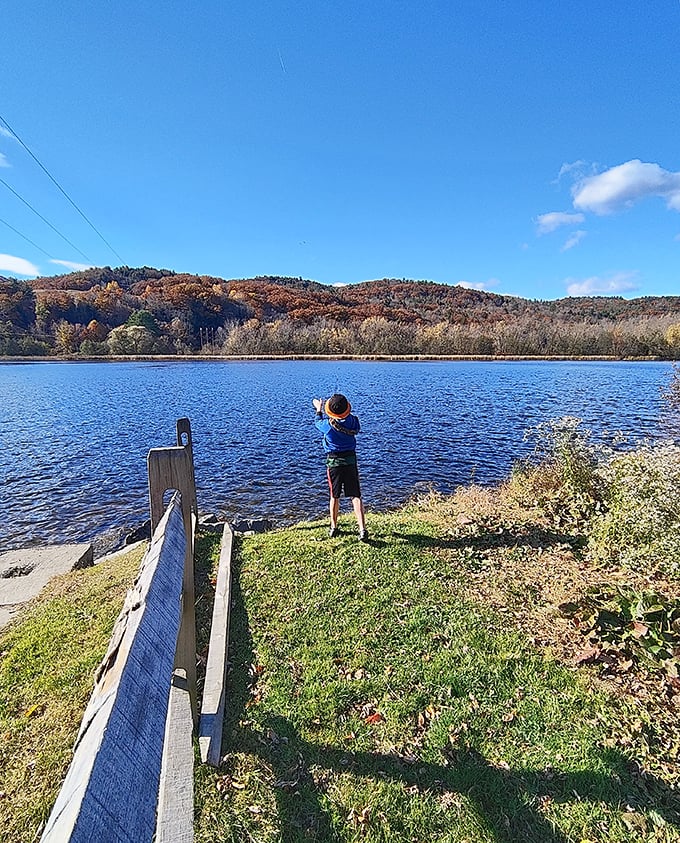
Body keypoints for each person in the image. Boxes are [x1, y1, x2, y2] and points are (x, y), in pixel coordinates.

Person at [312, 393, 368, 541]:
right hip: (350, 461)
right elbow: (352, 421)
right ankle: (362, 529)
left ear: (330, 410)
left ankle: (334, 527)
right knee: (356, 496)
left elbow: (317, 421)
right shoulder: (353, 421)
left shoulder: (327, 426)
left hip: (334, 463)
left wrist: (319, 409)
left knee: (334, 496)